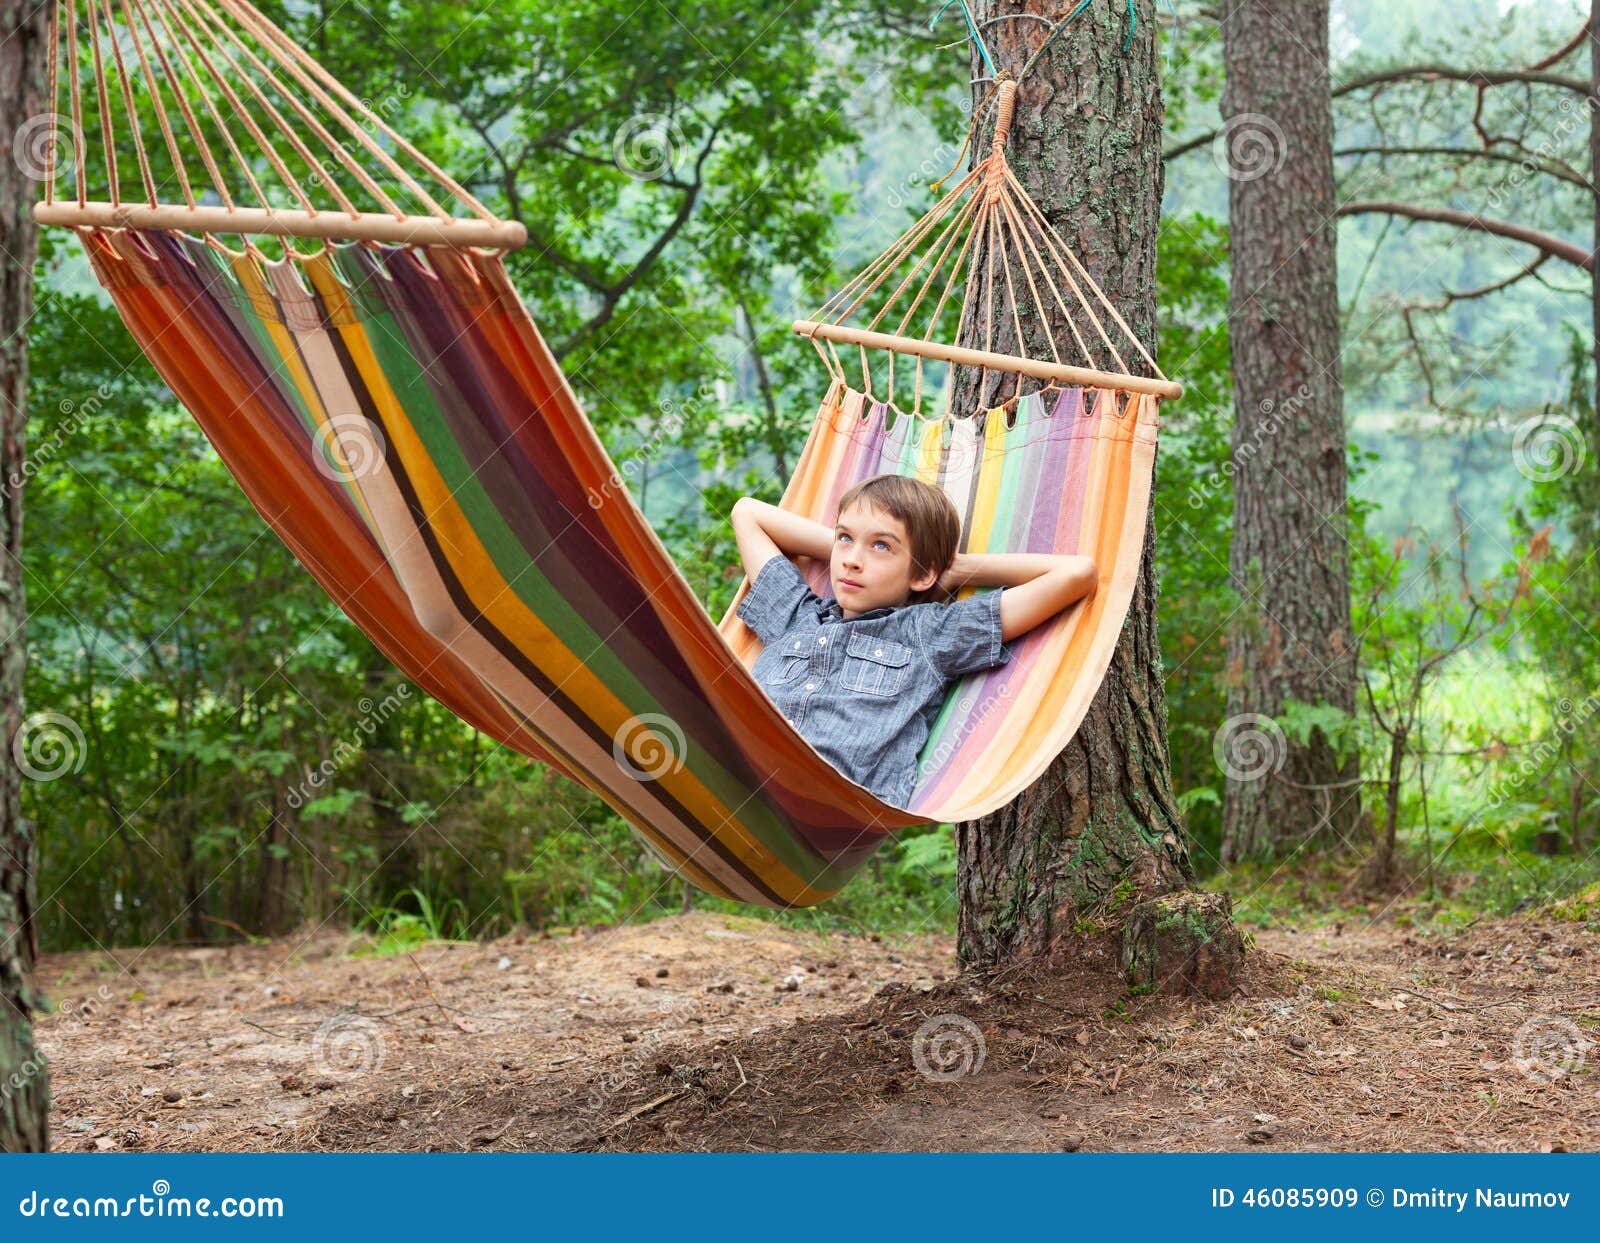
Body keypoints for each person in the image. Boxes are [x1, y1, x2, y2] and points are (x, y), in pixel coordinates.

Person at [730, 473, 1096, 808]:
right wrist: (858, 549)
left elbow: (1075, 574)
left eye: (882, 547)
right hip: (732, 774)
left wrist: (955, 570)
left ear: (923, 575)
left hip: (823, 807)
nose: (851, 562)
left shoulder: (929, 633)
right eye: (844, 538)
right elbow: (747, 513)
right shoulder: (796, 615)